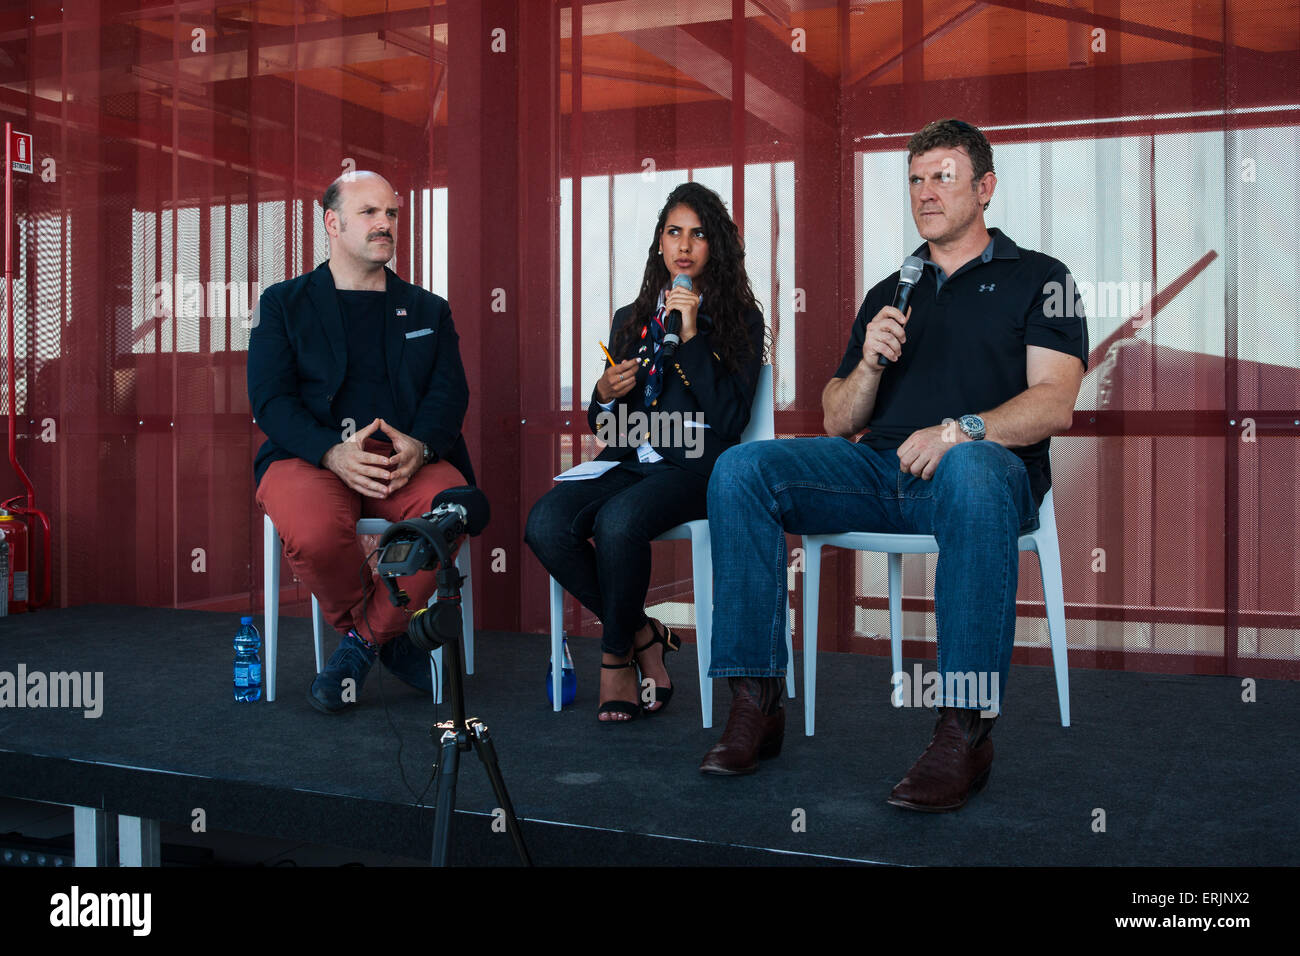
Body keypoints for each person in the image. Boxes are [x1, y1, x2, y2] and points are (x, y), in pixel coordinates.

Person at [700, 119, 1088, 811]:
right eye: (916, 178)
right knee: (740, 471)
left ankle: (965, 729)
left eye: (944, 175)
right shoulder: (892, 288)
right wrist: (872, 362)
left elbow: (1056, 403)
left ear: (985, 187)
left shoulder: (1040, 277)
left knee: (970, 471)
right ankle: (756, 702)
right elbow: (839, 419)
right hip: (884, 476)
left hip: (985, 476)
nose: (927, 192)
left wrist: (961, 431)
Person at [526, 182, 766, 723]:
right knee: (545, 522)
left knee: (617, 522)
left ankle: (615, 660)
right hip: (631, 459)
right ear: (660, 243)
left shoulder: (737, 320)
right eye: (674, 232)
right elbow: (608, 424)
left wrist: (691, 335)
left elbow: (730, 421)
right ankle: (643, 632)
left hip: (697, 464)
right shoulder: (631, 318)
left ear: (716, 247)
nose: (684, 244)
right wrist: (602, 395)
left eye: (699, 234)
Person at [248, 170, 475, 714]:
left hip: (407, 461)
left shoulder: (427, 310)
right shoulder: (283, 303)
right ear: (333, 221)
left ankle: (362, 643)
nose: (384, 224)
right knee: (315, 534)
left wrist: (420, 447)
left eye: (391, 214)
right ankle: (387, 638)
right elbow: (270, 400)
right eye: (370, 212)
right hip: (311, 457)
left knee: (452, 511)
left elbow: (450, 394)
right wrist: (330, 451)